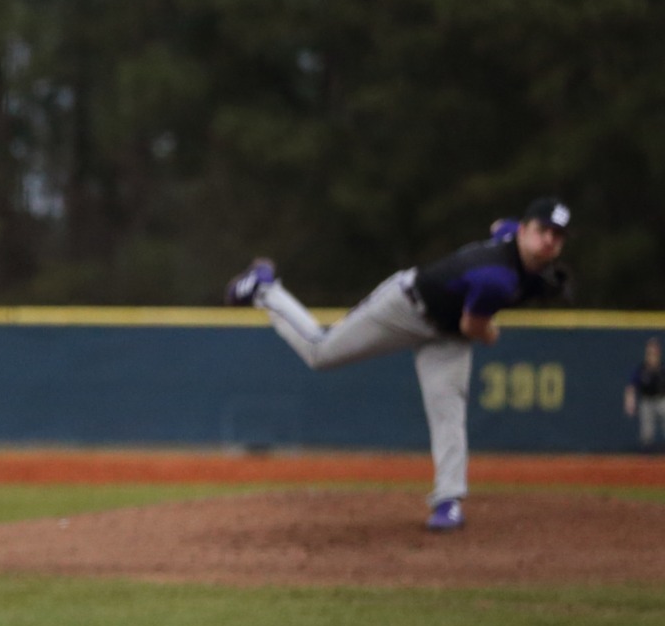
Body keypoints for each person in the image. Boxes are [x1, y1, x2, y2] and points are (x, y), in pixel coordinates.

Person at [225, 197, 571, 531]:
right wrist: (492, 335)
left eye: (557, 236)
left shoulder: (514, 240)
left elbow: (499, 226)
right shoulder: (498, 278)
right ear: (525, 229)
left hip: (447, 336)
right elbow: (474, 326)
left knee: (449, 410)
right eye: (543, 230)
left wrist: (517, 243)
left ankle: (448, 502)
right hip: (407, 307)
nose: (549, 240)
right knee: (321, 353)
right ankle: (264, 289)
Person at [628, 337, 665, 451]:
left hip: (661, 400)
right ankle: (647, 458)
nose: (652, 356)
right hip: (647, 401)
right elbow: (631, 387)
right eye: (650, 353)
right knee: (646, 434)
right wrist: (630, 402)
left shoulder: (663, 368)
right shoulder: (642, 369)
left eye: (654, 352)